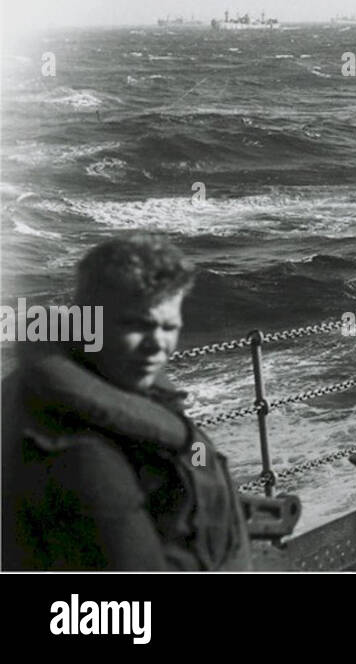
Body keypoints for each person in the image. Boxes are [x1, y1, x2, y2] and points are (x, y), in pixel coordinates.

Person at [2, 234, 250, 570]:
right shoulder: (82, 454)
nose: (157, 344)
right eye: (137, 325)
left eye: (169, 327)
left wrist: (219, 499)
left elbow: (192, 456)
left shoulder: (114, 384)